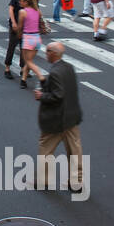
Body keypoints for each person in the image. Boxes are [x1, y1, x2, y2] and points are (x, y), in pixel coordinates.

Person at [33, 42, 84, 193]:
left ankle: (44, 180)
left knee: (46, 149)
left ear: (53, 53)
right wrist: (44, 81)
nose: (45, 53)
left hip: (56, 119)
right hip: (71, 117)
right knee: (75, 150)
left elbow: (58, 95)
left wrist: (42, 95)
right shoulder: (68, 67)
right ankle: (76, 181)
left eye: (47, 51)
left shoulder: (55, 72)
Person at [17, 0, 47, 89]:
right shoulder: (37, 11)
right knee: (29, 61)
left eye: (21, 1)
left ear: (26, 2)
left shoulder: (22, 12)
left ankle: (41, 77)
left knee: (28, 61)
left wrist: (18, 34)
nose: (20, 2)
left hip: (28, 37)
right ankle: (23, 80)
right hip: (37, 37)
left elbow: (20, 26)